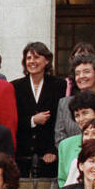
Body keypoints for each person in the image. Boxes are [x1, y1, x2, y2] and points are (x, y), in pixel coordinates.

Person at [13, 41, 67, 176]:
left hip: (49, 155)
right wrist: (32, 120)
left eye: (36, 57)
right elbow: (13, 119)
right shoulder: (15, 86)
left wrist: (54, 150)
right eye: (28, 58)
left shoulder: (59, 85)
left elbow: (60, 120)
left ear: (47, 60)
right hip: (22, 155)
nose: (32, 61)